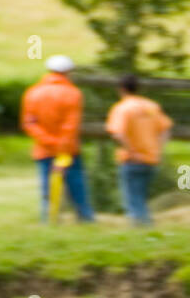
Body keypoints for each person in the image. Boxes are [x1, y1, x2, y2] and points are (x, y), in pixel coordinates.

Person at [20, 55, 94, 223]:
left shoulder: (33, 92)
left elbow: (29, 123)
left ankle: (48, 221)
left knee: (48, 190)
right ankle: (86, 220)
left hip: (43, 150)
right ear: (68, 72)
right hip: (68, 151)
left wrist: (48, 142)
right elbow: (70, 126)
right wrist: (61, 150)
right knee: (78, 189)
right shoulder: (72, 93)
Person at [105, 74, 173, 226]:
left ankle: (141, 230)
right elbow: (166, 130)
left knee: (133, 201)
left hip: (132, 161)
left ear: (121, 89)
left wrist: (131, 151)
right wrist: (158, 149)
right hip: (151, 160)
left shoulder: (122, 108)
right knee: (141, 198)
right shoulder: (152, 107)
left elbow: (118, 134)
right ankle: (147, 228)